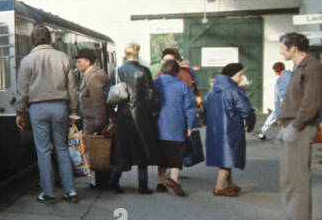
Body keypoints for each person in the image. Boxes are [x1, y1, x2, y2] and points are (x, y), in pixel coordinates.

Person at [15, 24, 80, 203]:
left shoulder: (27, 60)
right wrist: (73, 110)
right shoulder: (63, 57)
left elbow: (23, 90)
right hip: (60, 107)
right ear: (49, 38)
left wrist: (20, 112)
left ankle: (48, 193)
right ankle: (71, 191)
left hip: (38, 108)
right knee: (61, 148)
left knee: (43, 151)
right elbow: (72, 88)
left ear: (33, 40)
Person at [273, 33, 320, 220]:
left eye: (283, 47)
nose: (280, 51)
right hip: (291, 125)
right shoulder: (300, 67)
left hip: (299, 127)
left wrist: (296, 126)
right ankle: (293, 219)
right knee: (289, 177)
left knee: (297, 177)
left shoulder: (312, 67)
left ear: (294, 48)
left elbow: (312, 101)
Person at [106, 42, 162, 193]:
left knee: (122, 149)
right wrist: (148, 111)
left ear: (125, 53)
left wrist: (112, 115)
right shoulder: (144, 70)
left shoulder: (117, 70)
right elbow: (150, 95)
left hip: (123, 114)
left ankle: (114, 180)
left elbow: (110, 94)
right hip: (140, 114)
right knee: (142, 149)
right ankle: (142, 185)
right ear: (137, 53)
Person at [204, 62, 255, 196]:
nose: (241, 78)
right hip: (231, 128)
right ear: (233, 75)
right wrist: (250, 122)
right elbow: (246, 109)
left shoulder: (212, 90)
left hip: (215, 129)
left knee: (225, 157)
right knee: (229, 156)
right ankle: (219, 187)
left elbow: (205, 108)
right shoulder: (234, 90)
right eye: (240, 75)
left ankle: (230, 183)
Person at [153, 58, 197, 195]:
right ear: (176, 71)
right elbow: (189, 108)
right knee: (176, 154)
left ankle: (161, 182)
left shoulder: (155, 84)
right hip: (177, 126)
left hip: (158, 126)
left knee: (161, 155)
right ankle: (173, 179)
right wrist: (190, 126)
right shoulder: (182, 86)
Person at [74, 48, 109, 188]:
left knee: (97, 150)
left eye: (79, 61)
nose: (77, 64)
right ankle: (102, 180)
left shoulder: (93, 76)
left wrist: (99, 123)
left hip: (93, 119)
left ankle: (102, 181)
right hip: (92, 118)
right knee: (98, 150)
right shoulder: (94, 73)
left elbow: (98, 100)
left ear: (88, 62)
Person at [256, 61, 293, 139]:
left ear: (276, 71)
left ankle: (263, 132)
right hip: (295, 101)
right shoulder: (292, 74)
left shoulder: (280, 80)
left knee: (274, 115)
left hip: (286, 102)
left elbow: (278, 96)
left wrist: (277, 108)